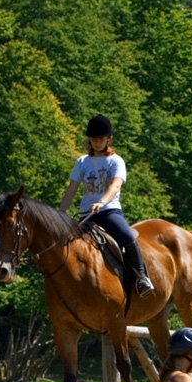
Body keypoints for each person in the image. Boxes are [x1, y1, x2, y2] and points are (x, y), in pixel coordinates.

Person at [59, 115, 153, 296]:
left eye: (100, 138)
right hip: (86, 214)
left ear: (108, 139)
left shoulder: (115, 161)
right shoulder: (82, 162)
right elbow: (71, 189)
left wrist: (101, 202)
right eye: (93, 139)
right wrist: (61, 212)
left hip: (109, 211)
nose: (96, 142)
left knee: (127, 236)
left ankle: (141, 277)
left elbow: (115, 185)